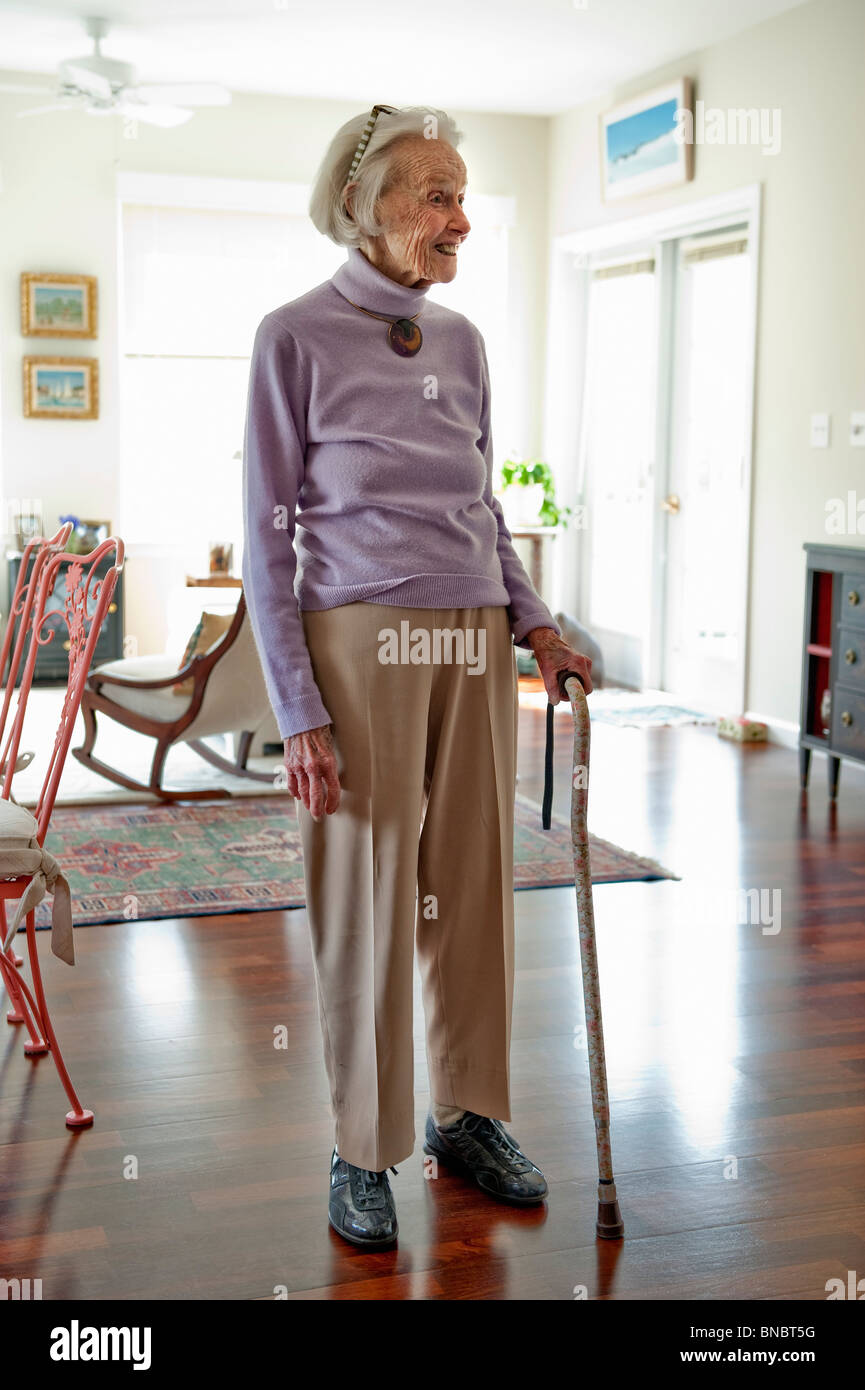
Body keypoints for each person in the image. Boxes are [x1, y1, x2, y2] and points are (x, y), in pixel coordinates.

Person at [241, 104, 592, 1248]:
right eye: (436, 194)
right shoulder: (292, 336)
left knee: (473, 882)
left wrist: (537, 626)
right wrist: (297, 708)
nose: (460, 219)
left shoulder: (465, 344)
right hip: (358, 640)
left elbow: (480, 510)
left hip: (473, 633)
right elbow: (265, 533)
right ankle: (362, 1145)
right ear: (366, 206)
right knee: (369, 892)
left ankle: (467, 1114)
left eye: (460, 193)